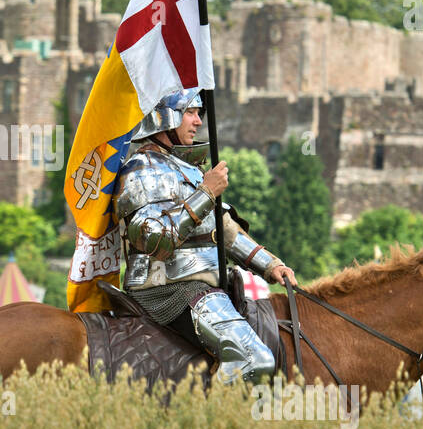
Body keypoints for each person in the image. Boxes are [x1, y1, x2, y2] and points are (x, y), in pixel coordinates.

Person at [114, 88, 295, 383]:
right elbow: (156, 242)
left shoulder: (189, 170)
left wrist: (271, 265)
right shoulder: (142, 169)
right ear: (164, 118)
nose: (198, 121)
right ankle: (203, 424)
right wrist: (207, 192)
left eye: (200, 113)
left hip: (202, 287)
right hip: (168, 288)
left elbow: (223, 230)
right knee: (256, 359)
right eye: (191, 112)